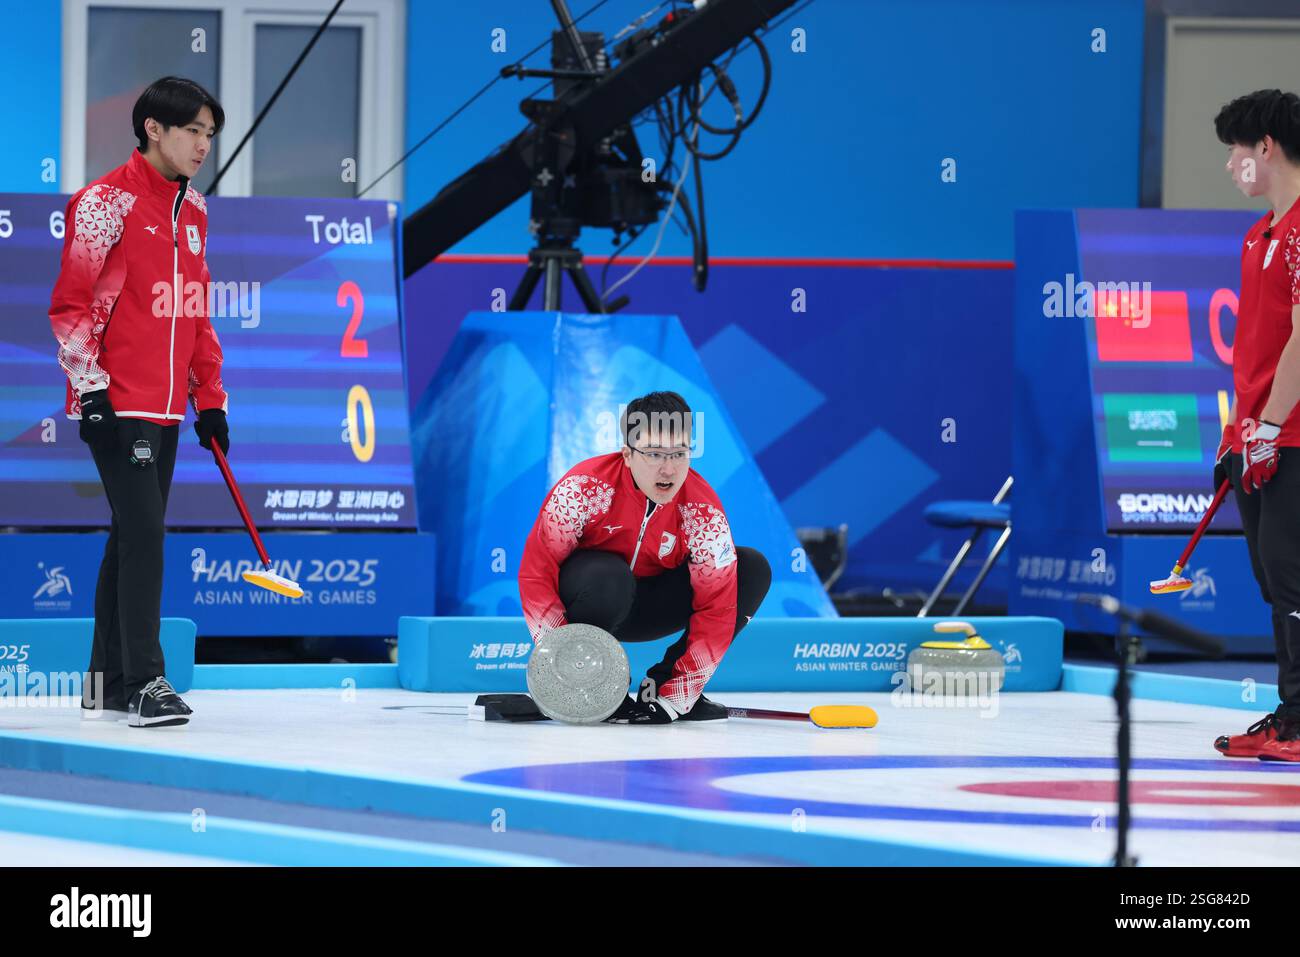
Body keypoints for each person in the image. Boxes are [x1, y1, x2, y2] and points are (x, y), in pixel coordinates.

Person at [48, 77, 229, 728]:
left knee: (130, 535)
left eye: (211, 134)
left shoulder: (196, 212)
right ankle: (149, 680)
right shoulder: (103, 203)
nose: (203, 144)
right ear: (153, 128)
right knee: (147, 534)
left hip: (169, 408)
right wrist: (90, 389)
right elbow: (70, 306)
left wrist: (210, 397)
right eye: (193, 131)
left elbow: (196, 312)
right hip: (115, 402)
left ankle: (106, 684)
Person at [518, 391, 771, 723]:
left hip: (652, 606)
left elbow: (718, 607)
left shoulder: (702, 512)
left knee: (750, 568)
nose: (668, 469)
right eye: (654, 454)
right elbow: (537, 571)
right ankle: (596, 682)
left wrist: (677, 695)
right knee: (610, 577)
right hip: (595, 596)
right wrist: (560, 659)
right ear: (627, 454)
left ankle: (662, 684)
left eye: (680, 453)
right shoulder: (583, 488)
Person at [1211, 89, 1300, 761]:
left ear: (1265, 147)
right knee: (1274, 579)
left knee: (1293, 573)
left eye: (1236, 152)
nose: (1231, 166)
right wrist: (1237, 433)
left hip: (1292, 436)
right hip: (1257, 435)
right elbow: (1255, 348)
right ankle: (1290, 713)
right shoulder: (1258, 234)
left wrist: (1270, 426)